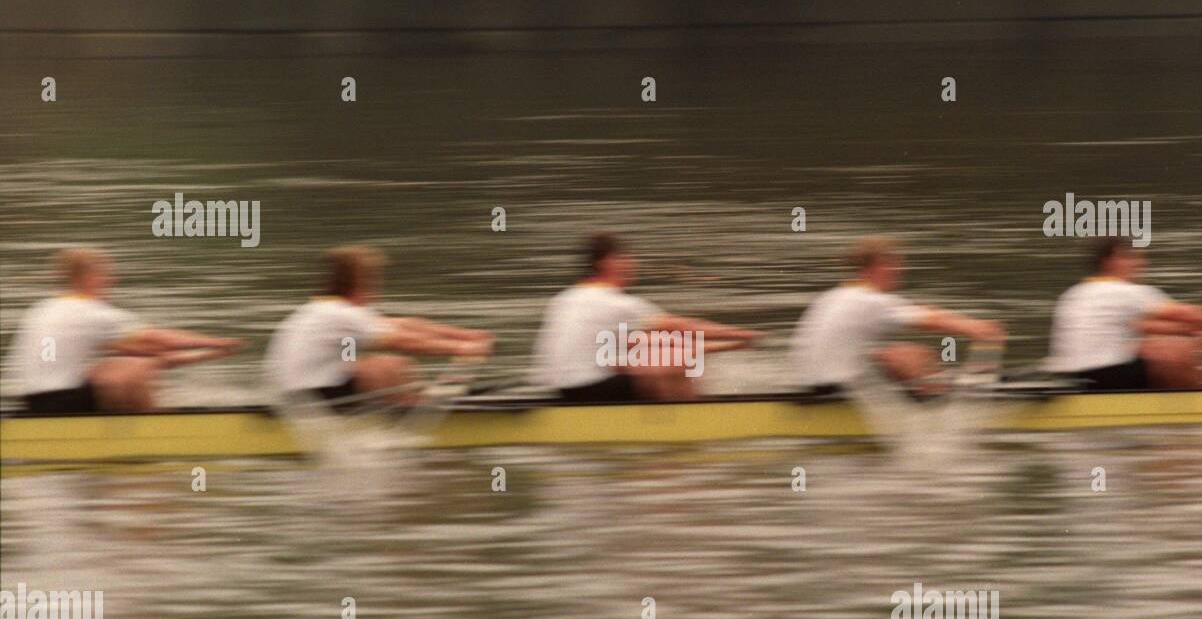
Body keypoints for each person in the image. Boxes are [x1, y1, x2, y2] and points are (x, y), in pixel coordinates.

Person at [8, 248, 244, 413]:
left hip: (31, 403)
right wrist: (215, 343)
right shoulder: (89, 311)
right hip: (61, 403)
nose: (113, 280)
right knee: (135, 367)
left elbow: (152, 354)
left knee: (124, 364)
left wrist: (206, 356)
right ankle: (157, 434)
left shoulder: (42, 309)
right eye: (107, 274)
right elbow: (159, 342)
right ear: (89, 277)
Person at [531, 233, 761, 401]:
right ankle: (690, 418)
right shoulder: (614, 302)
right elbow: (682, 327)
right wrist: (742, 333)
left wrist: (728, 345)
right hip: (588, 388)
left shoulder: (564, 298)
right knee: (684, 360)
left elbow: (636, 345)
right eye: (626, 258)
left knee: (657, 352)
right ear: (607, 262)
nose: (632, 265)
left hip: (562, 389)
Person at [265, 245, 493, 410]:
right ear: (361, 282)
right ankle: (411, 424)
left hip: (295, 394)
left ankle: (408, 407)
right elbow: (402, 340)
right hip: (310, 399)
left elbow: (403, 324)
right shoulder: (341, 314)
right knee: (390, 365)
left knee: (366, 361)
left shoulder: (325, 308)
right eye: (373, 278)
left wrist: (463, 336)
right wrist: (460, 350)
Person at [791, 236, 1004, 396]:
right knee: (910, 355)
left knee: (885, 355)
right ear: (878, 266)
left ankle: (937, 390)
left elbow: (925, 312)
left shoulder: (835, 295)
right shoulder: (870, 300)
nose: (900, 269)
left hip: (811, 384)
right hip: (835, 390)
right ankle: (940, 410)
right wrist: (977, 328)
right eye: (895, 263)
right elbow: (931, 320)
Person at [1047, 238, 1202, 390]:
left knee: (1166, 344)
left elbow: (1168, 329)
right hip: (1108, 376)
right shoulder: (1126, 291)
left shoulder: (1074, 294)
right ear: (1110, 261)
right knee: (1182, 351)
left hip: (1075, 379)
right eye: (1132, 258)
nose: (1142, 264)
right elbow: (1185, 314)